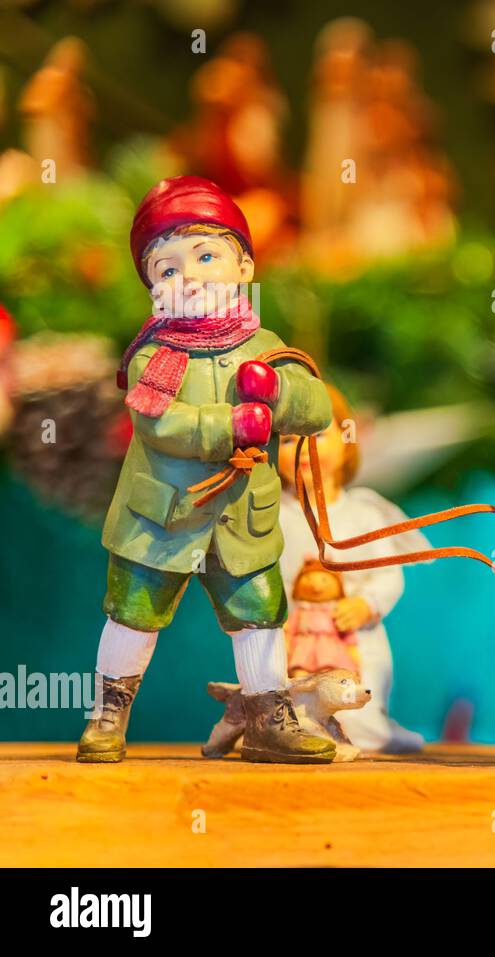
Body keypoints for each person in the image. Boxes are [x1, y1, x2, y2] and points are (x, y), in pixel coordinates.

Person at [80, 175, 336, 763]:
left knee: (260, 616)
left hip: (243, 519)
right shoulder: (155, 354)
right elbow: (159, 424)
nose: (188, 276)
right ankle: (107, 714)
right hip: (160, 519)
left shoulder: (265, 344)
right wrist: (231, 425)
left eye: (204, 255)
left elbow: (317, 407)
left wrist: (277, 396)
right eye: (166, 269)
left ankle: (270, 714)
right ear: (153, 290)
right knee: (132, 616)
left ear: (244, 266)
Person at [277, 384, 426, 753]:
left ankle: (374, 728)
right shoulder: (270, 517)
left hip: (353, 640)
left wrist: (366, 604)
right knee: (288, 704)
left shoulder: (363, 512)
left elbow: (389, 573)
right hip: (290, 640)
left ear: (346, 442)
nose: (303, 447)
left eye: (318, 435)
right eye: (288, 439)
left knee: (354, 709)